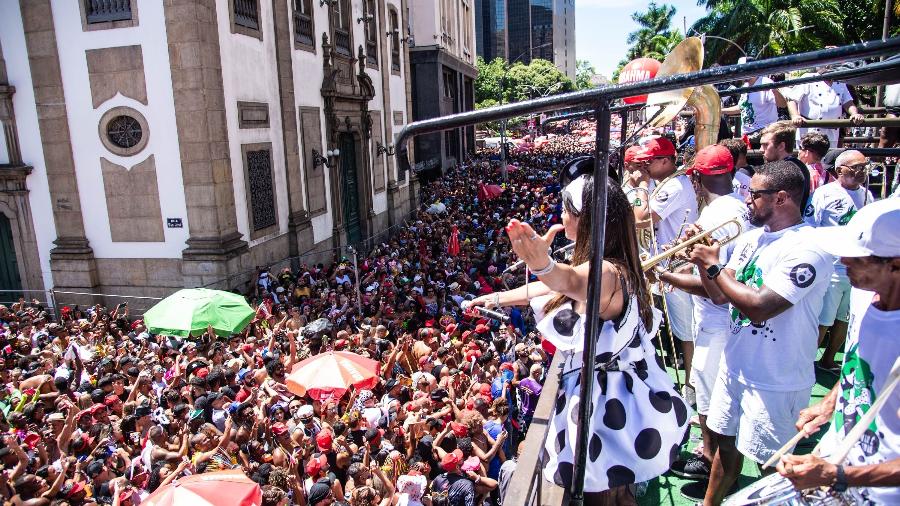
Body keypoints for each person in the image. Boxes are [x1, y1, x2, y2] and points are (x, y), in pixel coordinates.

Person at [471, 175, 688, 503]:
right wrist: (497, 298)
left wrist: (541, 263)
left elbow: (566, 280)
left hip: (605, 408)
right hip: (609, 397)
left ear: (586, 219)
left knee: (602, 491)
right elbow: (553, 286)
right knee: (615, 488)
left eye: (566, 209)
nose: (560, 216)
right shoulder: (610, 264)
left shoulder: (607, 273)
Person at [686, 160, 834, 505]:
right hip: (736, 366)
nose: (746, 199)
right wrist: (702, 261)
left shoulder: (808, 248)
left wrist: (712, 264)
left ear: (781, 198)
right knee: (725, 445)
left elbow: (759, 306)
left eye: (753, 193)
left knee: (773, 467)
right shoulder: (753, 239)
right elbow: (721, 294)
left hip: (775, 378)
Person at [777, 198, 900, 504]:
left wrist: (836, 475)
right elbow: (860, 365)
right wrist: (830, 404)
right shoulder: (867, 299)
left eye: (857, 258)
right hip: (839, 459)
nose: (844, 261)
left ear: (895, 265)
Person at [655, 145, 751, 499]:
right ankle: (709, 456)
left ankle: (717, 465)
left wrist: (670, 273)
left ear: (697, 178)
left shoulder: (718, 216)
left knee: (716, 402)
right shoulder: (733, 205)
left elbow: (716, 286)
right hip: (716, 320)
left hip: (718, 321)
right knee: (708, 394)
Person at [632, 137, 698, 389]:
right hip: (664, 262)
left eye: (649, 161)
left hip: (675, 264)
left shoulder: (675, 186)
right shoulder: (668, 183)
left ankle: (691, 384)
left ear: (666, 160)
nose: (644, 166)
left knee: (685, 330)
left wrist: (640, 188)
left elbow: (640, 217)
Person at [804, 150, 875, 372]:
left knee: (845, 316)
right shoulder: (824, 194)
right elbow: (810, 226)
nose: (861, 172)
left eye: (864, 166)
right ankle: (806, 363)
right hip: (831, 266)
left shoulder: (867, 196)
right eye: (856, 167)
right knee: (824, 318)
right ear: (839, 170)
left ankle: (829, 358)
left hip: (856, 268)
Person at [786, 67, 865, 148]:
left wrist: (854, 114)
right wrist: (795, 116)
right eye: (824, 63)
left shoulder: (840, 81)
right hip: (810, 131)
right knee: (808, 158)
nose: (827, 66)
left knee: (829, 158)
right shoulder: (808, 78)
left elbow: (848, 103)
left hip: (832, 133)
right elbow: (791, 99)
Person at [721, 59, 787, 147]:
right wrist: (721, 110)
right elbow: (742, 107)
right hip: (747, 134)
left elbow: (782, 104)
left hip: (763, 134)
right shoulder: (745, 86)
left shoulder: (765, 83)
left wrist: (775, 90)